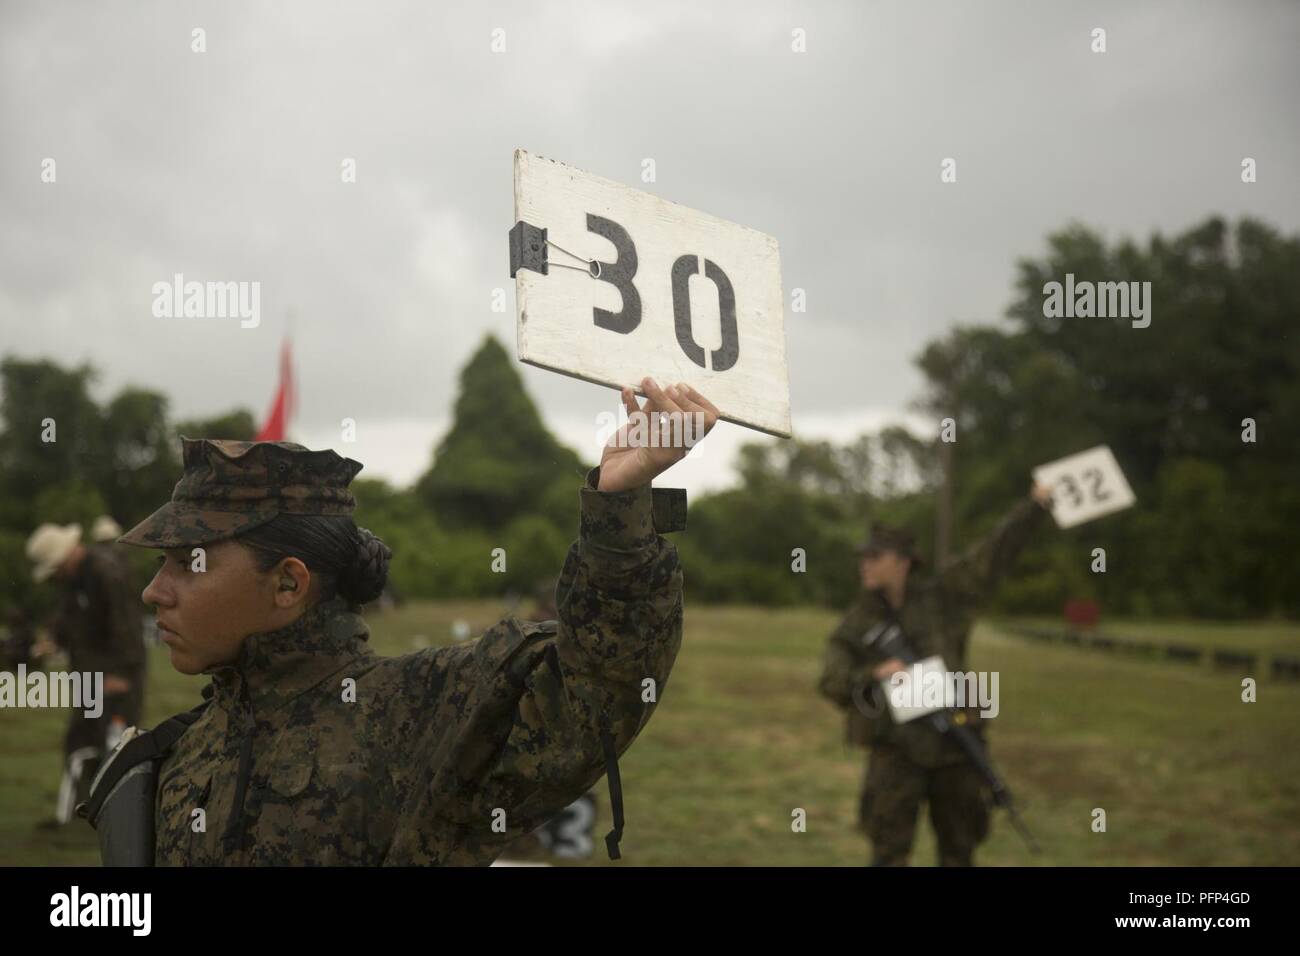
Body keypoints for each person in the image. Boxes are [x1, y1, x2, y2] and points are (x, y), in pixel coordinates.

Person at [109, 376, 715, 865]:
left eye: (186, 564)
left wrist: (618, 505)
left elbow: (598, 686)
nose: (153, 592)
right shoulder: (185, 746)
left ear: (289, 583)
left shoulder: (420, 713)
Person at [817, 484, 1054, 866]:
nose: (865, 563)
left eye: (876, 556)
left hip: (955, 748)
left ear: (904, 561)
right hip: (895, 752)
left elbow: (991, 556)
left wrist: (1034, 507)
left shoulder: (945, 598)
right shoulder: (859, 621)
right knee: (889, 854)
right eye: (863, 556)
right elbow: (831, 680)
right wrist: (874, 673)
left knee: (958, 854)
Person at [25, 521, 147, 825]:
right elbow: (69, 617)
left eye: (54, 569)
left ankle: (108, 818)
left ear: (65, 557)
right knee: (84, 744)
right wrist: (52, 639)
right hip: (89, 679)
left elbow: (127, 626)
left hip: (117, 679)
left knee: (115, 747)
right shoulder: (73, 578)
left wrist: (120, 676)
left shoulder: (106, 573)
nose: (54, 577)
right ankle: (85, 814)